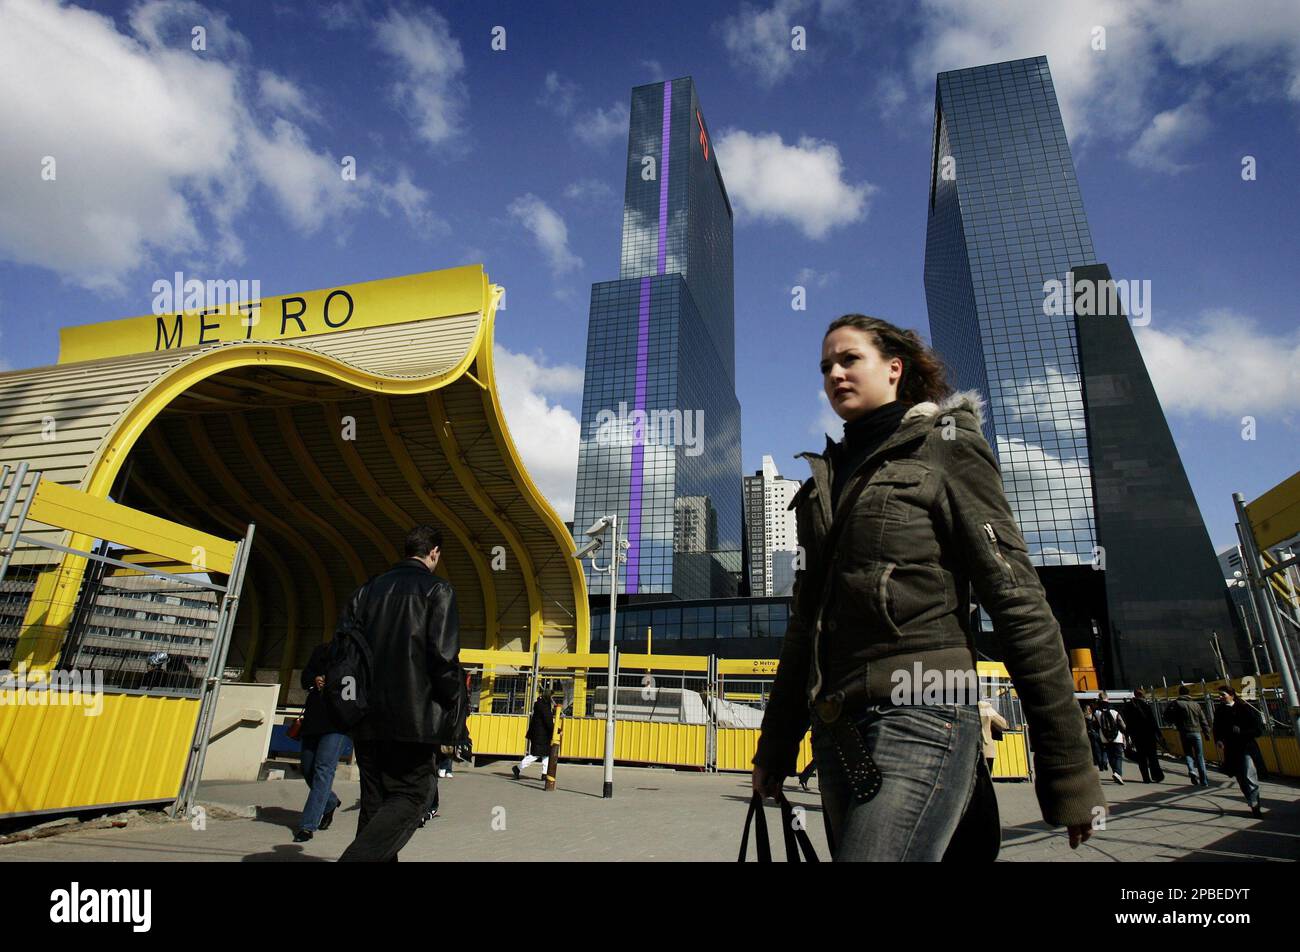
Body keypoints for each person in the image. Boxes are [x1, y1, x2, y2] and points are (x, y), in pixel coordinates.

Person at [752, 314, 1105, 861]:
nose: (835, 374)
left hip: (924, 707)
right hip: (838, 727)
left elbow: (1018, 602)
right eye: (826, 366)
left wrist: (1069, 775)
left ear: (895, 368)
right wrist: (773, 750)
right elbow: (805, 628)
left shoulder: (945, 447)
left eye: (850, 359)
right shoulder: (823, 484)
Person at [337, 525, 462, 863]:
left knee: (375, 803)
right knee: (413, 794)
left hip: (365, 717)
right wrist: (453, 705)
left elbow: (346, 651)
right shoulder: (437, 590)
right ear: (434, 552)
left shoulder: (366, 591)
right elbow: (443, 658)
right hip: (414, 720)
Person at [293, 641, 349, 843]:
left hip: (337, 723)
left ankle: (308, 825)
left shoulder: (356, 655)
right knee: (308, 769)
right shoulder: (321, 650)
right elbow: (305, 676)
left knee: (323, 771)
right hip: (314, 719)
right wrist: (314, 679)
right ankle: (330, 802)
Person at [1213, 686, 1266, 817]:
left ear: (1231, 695)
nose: (1220, 697)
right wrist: (1219, 740)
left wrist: (1242, 732)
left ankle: (1255, 805)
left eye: (1222, 694)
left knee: (1249, 775)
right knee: (1241, 777)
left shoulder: (1245, 708)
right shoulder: (1220, 711)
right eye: (1219, 695)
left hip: (1246, 747)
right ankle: (1251, 799)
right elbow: (1216, 728)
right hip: (1231, 749)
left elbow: (1258, 729)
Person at [1164, 685, 1212, 786]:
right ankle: (1204, 781)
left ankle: (1191, 770)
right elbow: (1203, 719)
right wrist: (1207, 732)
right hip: (1196, 732)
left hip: (1184, 732)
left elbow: (1167, 715)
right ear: (1188, 693)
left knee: (1188, 753)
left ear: (1180, 693)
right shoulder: (1196, 704)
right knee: (1200, 756)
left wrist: (1174, 723)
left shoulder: (1176, 703)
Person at [1123, 688, 1165, 784]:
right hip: (1149, 735)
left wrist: (1128, 735)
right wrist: (1159, 734)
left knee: (1141, 758)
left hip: (1137, 736)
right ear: (1143, 695)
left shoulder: (1128, 707)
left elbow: (1128, 723)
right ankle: (1156, 775)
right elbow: (1153, 721)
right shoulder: (1146, 706)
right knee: (1152, 757)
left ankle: (1145, 778)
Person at [513, 692, 555, 780]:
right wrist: (556, 730)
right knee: (535, 755)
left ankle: (544, 774)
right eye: (552, 697)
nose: (552, 699)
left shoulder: (539, 705)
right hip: (542, 735)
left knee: (546, 755)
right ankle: (518, 768)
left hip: (538, 734)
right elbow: (548, 721)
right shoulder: (545, 707)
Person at [1093, 692, 1127, 784]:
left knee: (1111, 756)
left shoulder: (1096, 712)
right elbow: (1121, 724)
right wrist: (1125, 733)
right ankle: (1118, 773)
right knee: (1118, 756)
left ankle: (1115, 772)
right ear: (1107, 698)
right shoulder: (1114, 710)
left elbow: (1095, 725)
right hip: (1117, 737)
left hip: (1104, 737)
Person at [978, 698, 1010, 776]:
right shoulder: (986, 707)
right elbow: (1004, 725)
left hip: (964, 750)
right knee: (984, 781)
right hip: (986, 749)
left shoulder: (959, 706)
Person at [1083, 703, 1107, 771]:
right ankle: (1104, 761)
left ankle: (1100, 765)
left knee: (1097, 751)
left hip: (1090, 735)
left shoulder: (1084, 717)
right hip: (1098, 733)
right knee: (1103, 748)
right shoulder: (1094, 716)